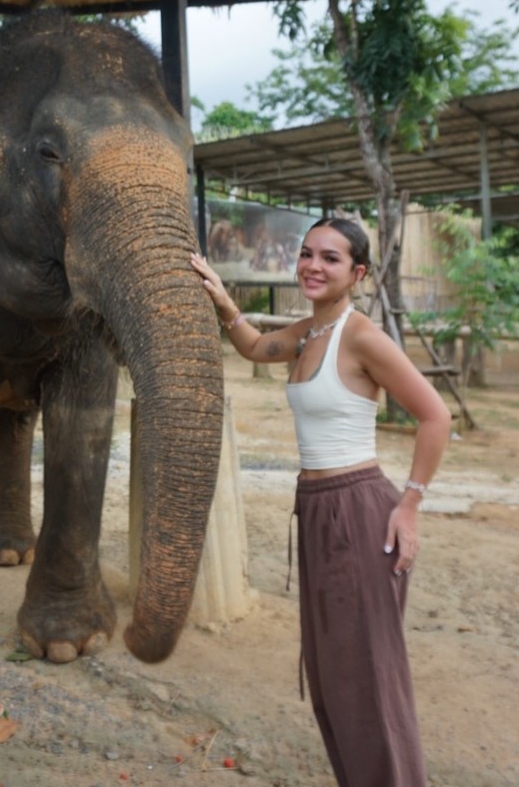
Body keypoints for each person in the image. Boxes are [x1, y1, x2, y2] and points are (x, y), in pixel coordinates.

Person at [191, 217, 451, 787]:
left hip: (358, 509)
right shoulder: (309, 332)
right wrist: (220, 296)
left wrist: (409, 505)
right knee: (334, 677)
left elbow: (436, 415)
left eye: (330, 258)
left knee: (367, 678)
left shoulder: (361, 336)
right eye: (307, 253)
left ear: (356, 273)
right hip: (316, 508)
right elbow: (257, 345)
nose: (312, 265)